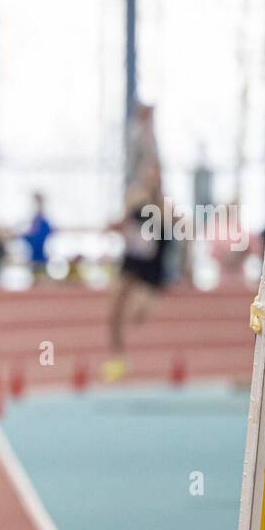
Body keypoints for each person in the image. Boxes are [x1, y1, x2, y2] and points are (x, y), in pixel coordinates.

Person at [103, 160, 171, 383]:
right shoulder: (134, 199)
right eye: (147, 176)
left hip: (151, 270)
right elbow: (125, 224)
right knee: (114, 312)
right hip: (131, 262)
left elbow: (177, 232)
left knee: (138, 315)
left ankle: (137, 360)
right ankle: (118, 359)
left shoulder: (165, 206)